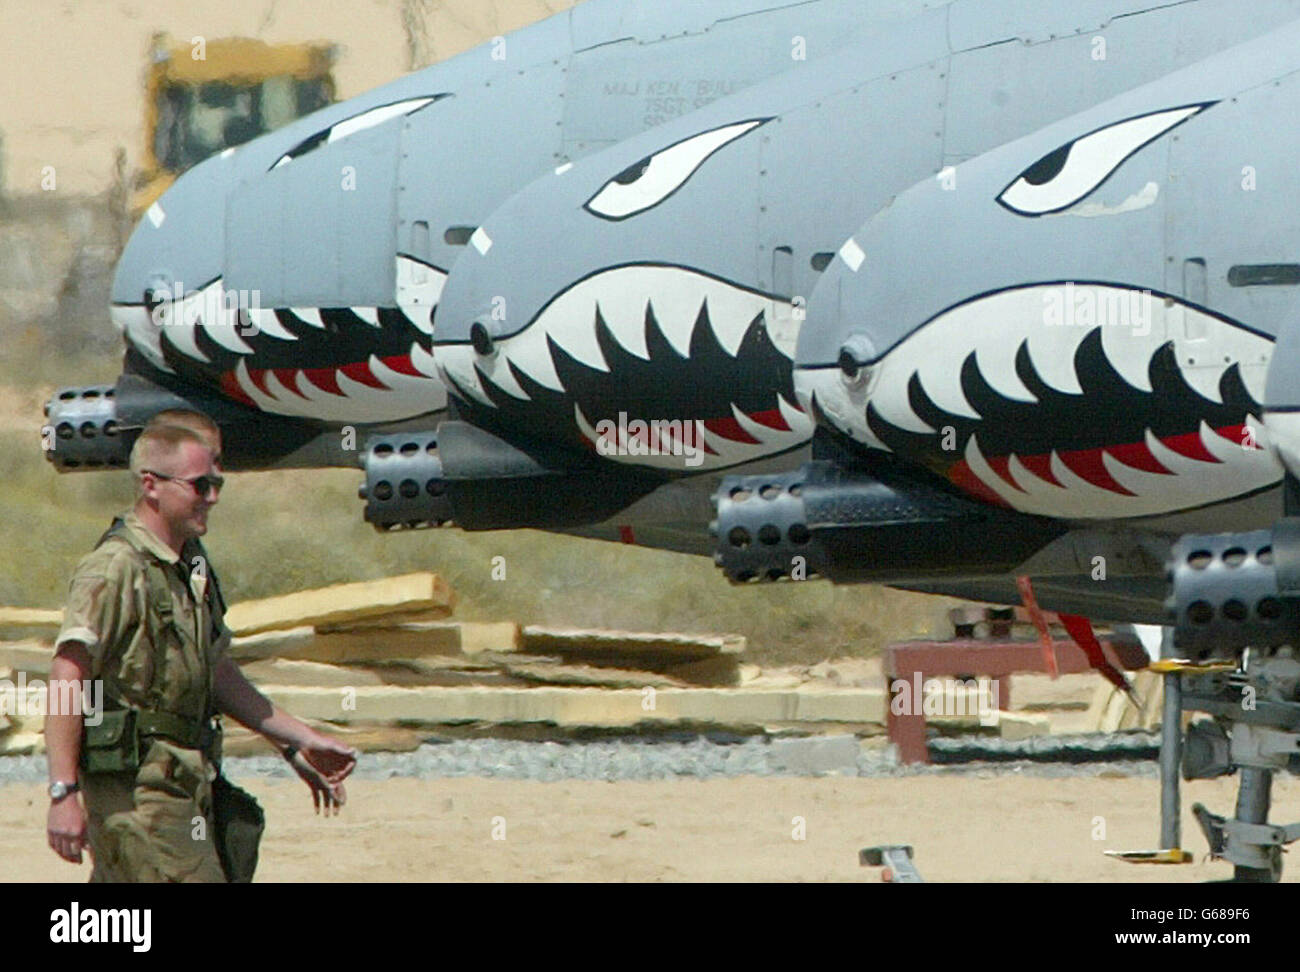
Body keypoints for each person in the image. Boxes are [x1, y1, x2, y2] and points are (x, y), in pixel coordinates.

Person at [46, 418, 359, 881]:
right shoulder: (115, 569)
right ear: (151, 485)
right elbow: (67, 677)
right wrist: (62, 792)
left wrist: (297, 742)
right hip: (139, 794)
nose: (212, 496)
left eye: (217, 484)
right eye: (200, 485)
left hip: (185, 783)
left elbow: (214, 673)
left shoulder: (187, 566)